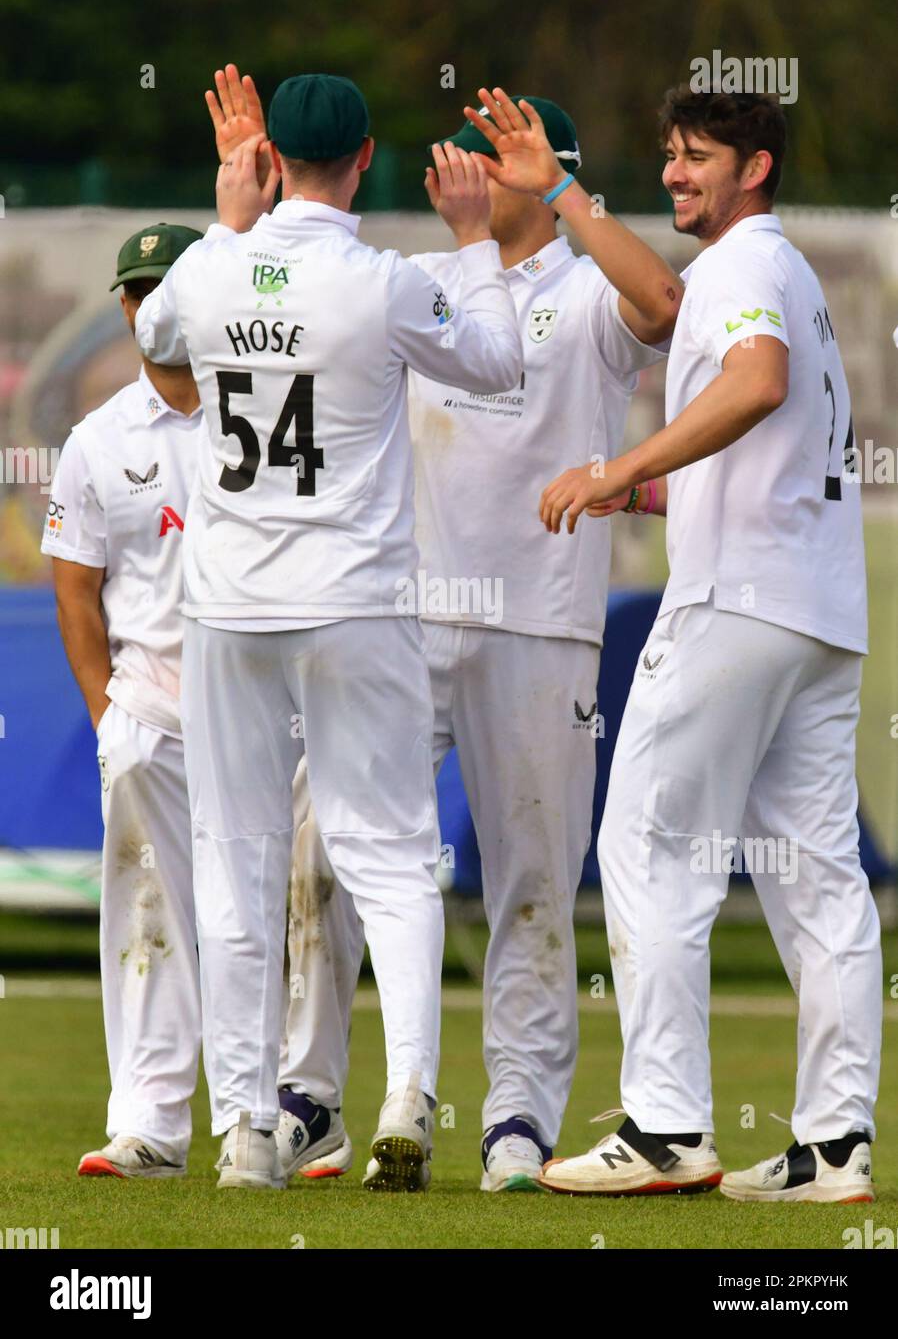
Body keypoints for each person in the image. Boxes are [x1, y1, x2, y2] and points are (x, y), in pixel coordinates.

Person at [207, 71, 684, 1190]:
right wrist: (259, 183)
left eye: (496, 148)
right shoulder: (414, 277)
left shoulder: (587, 291)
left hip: (538, 622)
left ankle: (516, 1119)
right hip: (398, 620)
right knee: (323, 850)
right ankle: (308, 1094)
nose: (463, 163)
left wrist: (557, 188)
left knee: (527, 878)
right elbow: (279, 307)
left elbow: (663, 308)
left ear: (545, 163)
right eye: (471, 144)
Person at [135, 73, 523, 1191]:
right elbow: (497, 362)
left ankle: (250, 1129)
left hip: (228, 608)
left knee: (239, 857)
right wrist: (475, 239)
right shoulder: (385, 282)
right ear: (362, 161)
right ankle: (406, 1093)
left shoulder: (212, 262)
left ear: (269, 163)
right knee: (392, 855)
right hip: (354, 602)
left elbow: (157, 335)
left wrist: (227, 212)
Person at [537, 87, 881, 1203]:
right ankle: (835, 1148)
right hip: (819, 613)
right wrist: (644, 501)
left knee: (647, 839)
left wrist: (618, 466)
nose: (677, 175)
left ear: (757, 168)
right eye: (671, 157)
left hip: (737, 606)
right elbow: (766, 439)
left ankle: (665, 1127)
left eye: (698, 158)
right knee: (819, 882)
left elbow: (755, 383)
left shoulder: (739, 267)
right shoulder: (785, 271)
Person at [42, 222, 206, 1179]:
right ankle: (149, 1124)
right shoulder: (97, 440)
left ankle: (279, 1117)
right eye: (138, 295)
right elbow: (75, 589)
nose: (152, 310)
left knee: (273, 916)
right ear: (124, 310)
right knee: (147, 909)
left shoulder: (261, 414)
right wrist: (109, 720)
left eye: (170, 289)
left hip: (265, 711)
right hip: (149, 709)